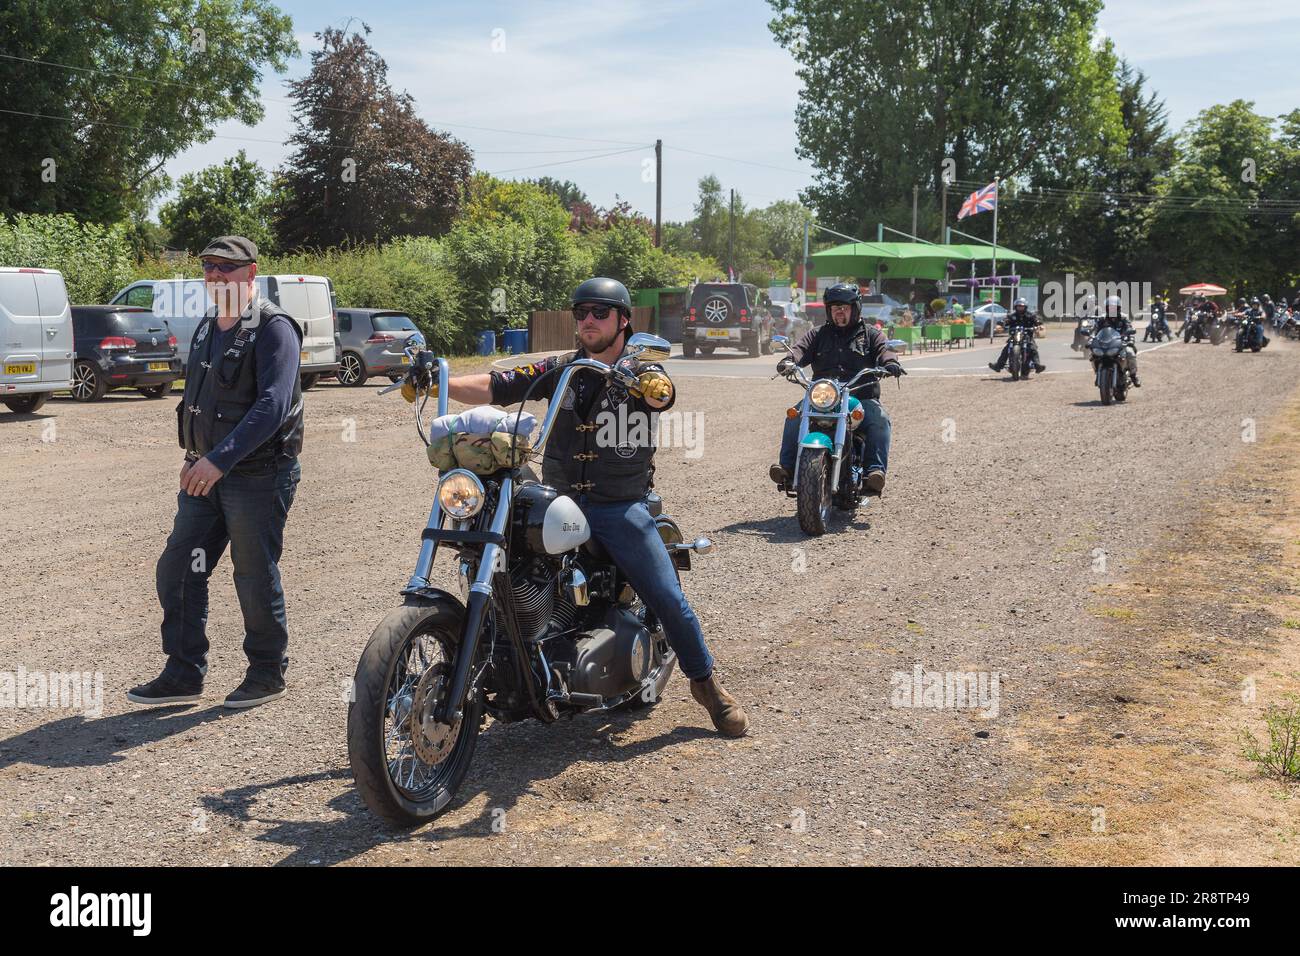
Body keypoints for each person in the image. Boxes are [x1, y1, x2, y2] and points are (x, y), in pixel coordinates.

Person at [423, 277, 749, 737]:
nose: (589, 321)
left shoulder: (640, 371)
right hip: (560, 500)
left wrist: (649, 384)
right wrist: (439, 380)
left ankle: (706, 683)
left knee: (667, 597)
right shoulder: (562, 368)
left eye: (599, 312)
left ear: (623, 320)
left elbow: (662, 395)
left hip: (617, 504)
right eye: (581, 313)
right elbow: (498, 385)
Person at [128, 236, 304, 709]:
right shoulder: (208, 326)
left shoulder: (274, 328)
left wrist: (218, 458)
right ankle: (184, 673)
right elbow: (201, 400)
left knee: (252, 573)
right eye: (208, 267)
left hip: (258, 475)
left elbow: (273, 405)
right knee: (179, 567)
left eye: (226, 267)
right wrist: (195, 455)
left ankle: (267, 673)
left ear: (250, 273)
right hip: (205, 474)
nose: (215, 275)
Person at [769, 283, 902, 495]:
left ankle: (874, 472)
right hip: (823, 397)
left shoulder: (870, 335)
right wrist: (788, 360)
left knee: (880, 420)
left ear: (856, 308)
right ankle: (787, 467)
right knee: (794, 416)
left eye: (845, 307)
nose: (840, 311)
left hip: (860, 396)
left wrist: (890, 362)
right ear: (828, 310)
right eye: (835, 307)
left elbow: (885, 349)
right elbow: (800, 349)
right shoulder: (818, 334)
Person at [988, 298, 1046, 374]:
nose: (1020, 308)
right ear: (1015, 307)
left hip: (1027, 337)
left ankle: (1037, 365)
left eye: (1022, 306)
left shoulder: (1030, 315)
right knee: (1006, 349)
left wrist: (1039, 325)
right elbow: (1005, 320)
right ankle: (998, 365)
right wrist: (1000, 325)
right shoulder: (1012, 316)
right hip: (1014, 337)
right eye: (1018, 306)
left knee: (1033, 348)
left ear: (1025, 307)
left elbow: (1037, 320)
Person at [1095, 293, 1140, 387]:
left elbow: (1129, 328)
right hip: (1106, 344)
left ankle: (1133, 375)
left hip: (1120, 343)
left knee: (1130, 352)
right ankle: (1097, 374)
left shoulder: (1124, 318)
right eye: (1110, 307)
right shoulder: (1102, 318)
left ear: (1118, 308)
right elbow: (1095, 331)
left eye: (1114, 307)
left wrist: (1130, 340)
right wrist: (1091, 338)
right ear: (1106, 308)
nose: (1112, 309)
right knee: (1093, 354)